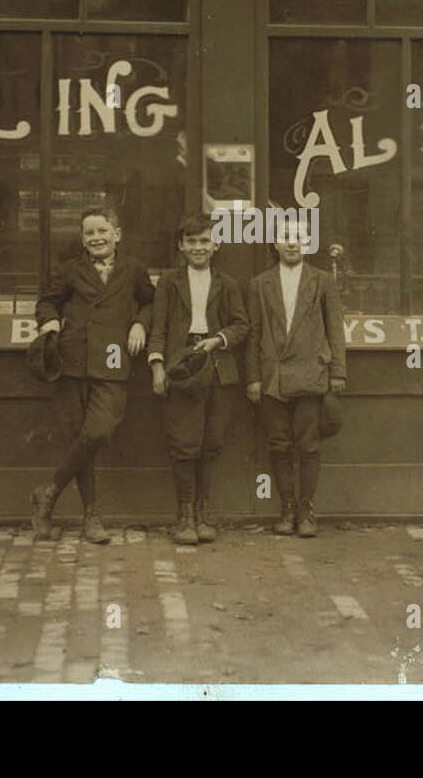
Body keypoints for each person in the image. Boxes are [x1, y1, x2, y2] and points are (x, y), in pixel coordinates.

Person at [31, 206, 154, 544]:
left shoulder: (133, 270)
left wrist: (140, 324)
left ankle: (49, 491)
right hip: (73, 360)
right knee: (80, 437)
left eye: (103, 231)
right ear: (82, 240)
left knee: (98, 431)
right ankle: (91, 517)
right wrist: (51, 320)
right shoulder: (70, 270)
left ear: (117, 234)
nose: (97, 238)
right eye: (90, 233)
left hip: (113, 361)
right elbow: (46, 301)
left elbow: (150, 302)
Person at [148, 213, 249, 545]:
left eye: (204, 241)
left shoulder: (228, 284)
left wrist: (218, 339)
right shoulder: (168, 282)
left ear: (216, 244)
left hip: (219, 367)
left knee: (211, 443)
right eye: (191, 241)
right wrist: (158, 367)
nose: (198, 247)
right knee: (184, 445)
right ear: (181, 245)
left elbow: (241, 325)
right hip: (182, 366)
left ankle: (203, 513)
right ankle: (185, 516)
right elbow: (158, 328)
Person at [244, 213, 346, 537]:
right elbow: (254, 333)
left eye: (299, 236)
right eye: (285, 236)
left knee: (309, 445)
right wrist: (253, 378)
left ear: (308, 243)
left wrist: (338, 372)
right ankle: (286, 506)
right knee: (278, 444)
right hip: (273, 376)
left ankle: (306, 510)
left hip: (310, 375)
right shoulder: (259, 284)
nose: (292, 242)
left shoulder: (322, 281)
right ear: (275, 243)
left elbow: (335, 329)